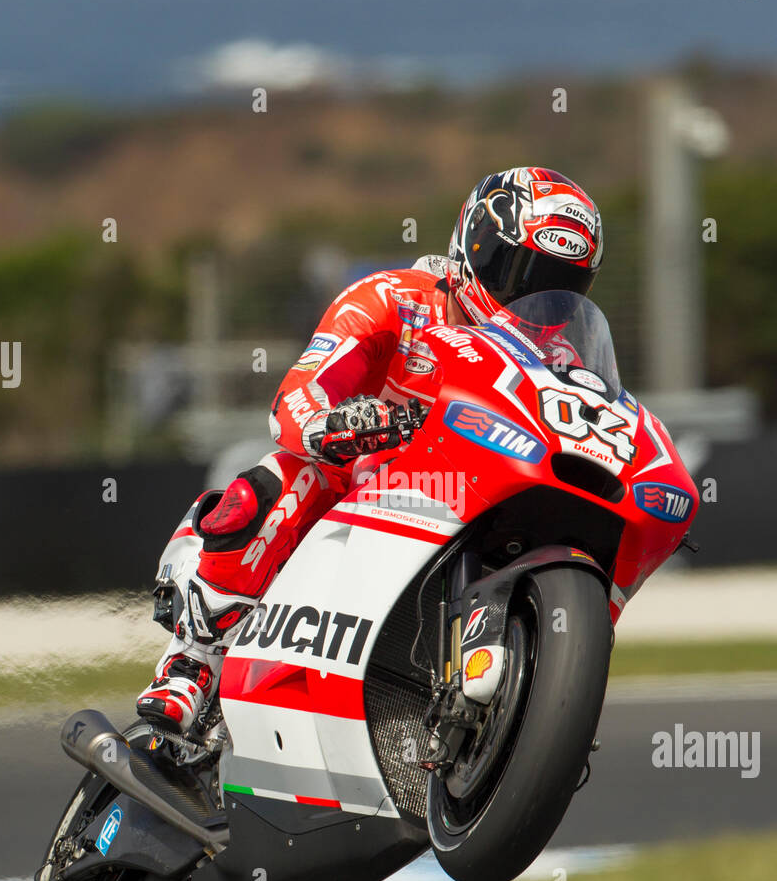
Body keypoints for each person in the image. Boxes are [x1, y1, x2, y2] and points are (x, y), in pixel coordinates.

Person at [136, 166, 604, 733]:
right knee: (286, 477)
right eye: (522, 275)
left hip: (469, 504)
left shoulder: (560, 363)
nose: (535, 302)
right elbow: (293, 402)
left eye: (558, 289)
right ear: (474, 247)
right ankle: (194, 661)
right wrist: (344, 422)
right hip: (361, 494)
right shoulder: (390, 300)